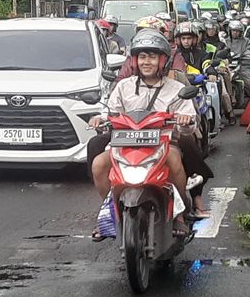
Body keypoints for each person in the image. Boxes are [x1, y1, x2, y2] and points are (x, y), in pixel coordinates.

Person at [87, 29, 214, 235]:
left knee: (174, 160)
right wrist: (100, 119)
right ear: (135, 61)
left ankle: (178, 215)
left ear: (163, 60)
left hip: (163, 143)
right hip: (125, 143)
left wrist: (183, 120)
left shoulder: (175, 88)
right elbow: (110, 111)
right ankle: (110, 213)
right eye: (142, 57)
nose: (147, 62)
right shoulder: (123, 87)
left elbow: (188, 124)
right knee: (99, 164)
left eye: (153, 57)